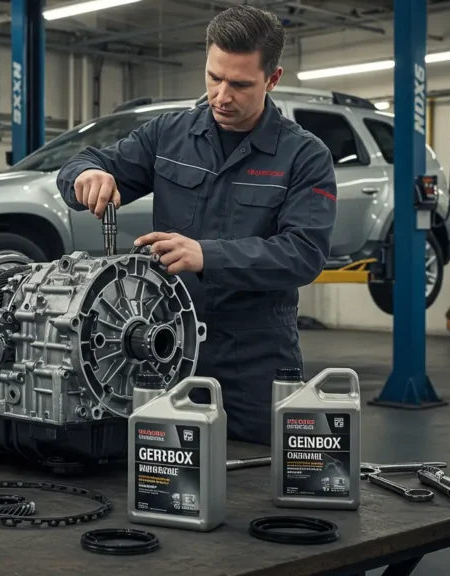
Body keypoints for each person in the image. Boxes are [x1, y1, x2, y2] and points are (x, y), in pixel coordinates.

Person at [55, 5, 338, 445]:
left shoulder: (304, 156)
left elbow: (304, 255)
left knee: (255, 478)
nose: (222, 95)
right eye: (213, 77)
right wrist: (85, 177)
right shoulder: (168, 135)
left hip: (255, 356)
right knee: (163, 474)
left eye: (240, 84)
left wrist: (207, 254)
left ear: (273, 79)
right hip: (163, 345)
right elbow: (86, 163)